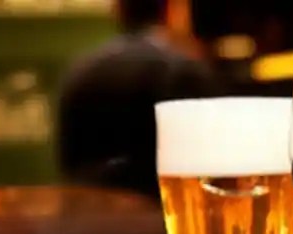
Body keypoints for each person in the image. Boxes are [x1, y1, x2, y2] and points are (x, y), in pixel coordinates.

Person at [57, 0, 222, 199]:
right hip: (163, 218)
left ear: (119, 11)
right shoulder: (181, 71)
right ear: (172, 9)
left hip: (88, 219)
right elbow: (209, 166)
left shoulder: (82, 70)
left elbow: (68, 163)